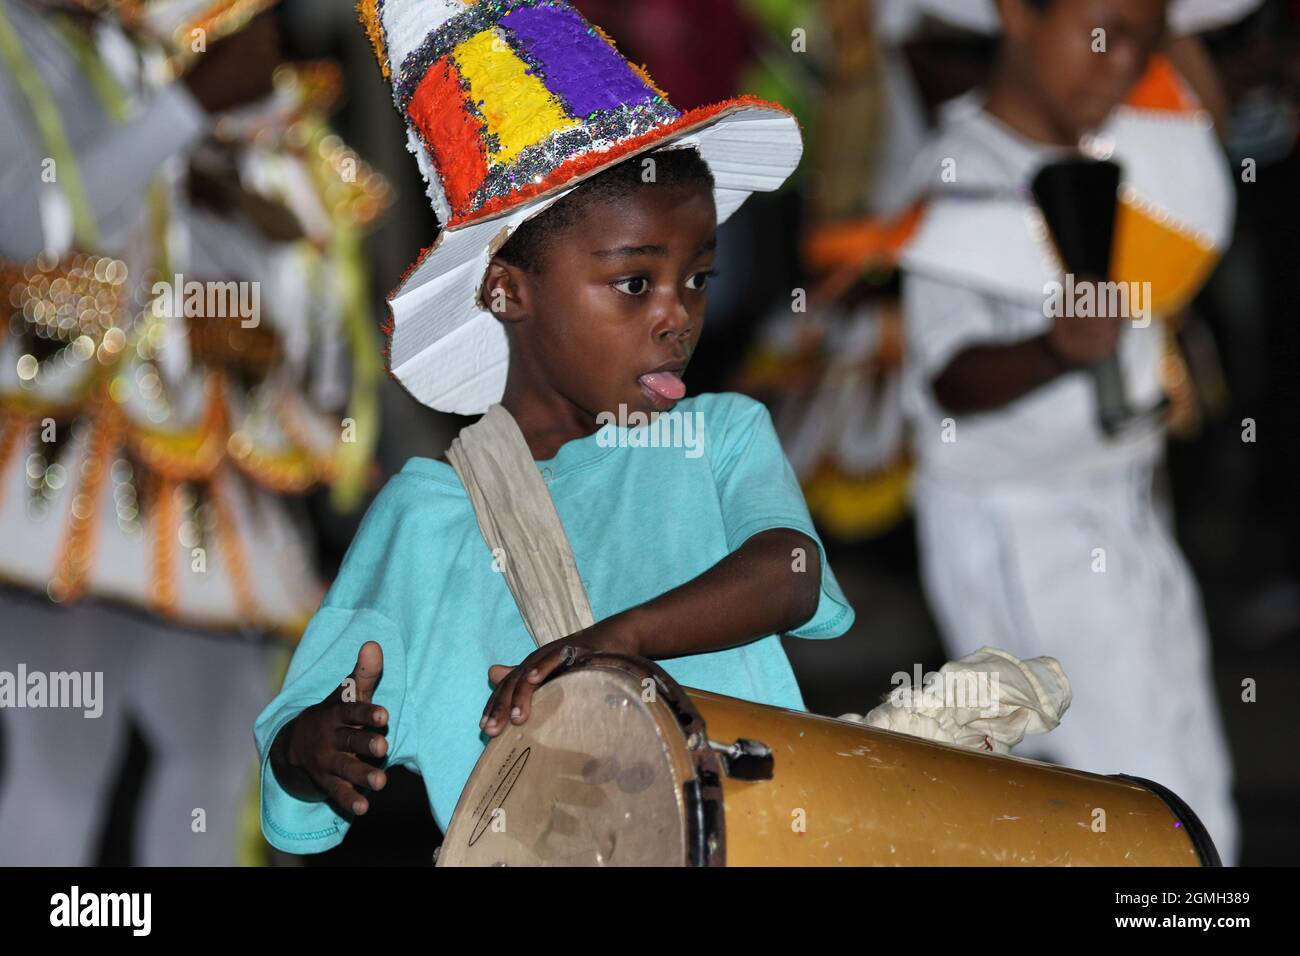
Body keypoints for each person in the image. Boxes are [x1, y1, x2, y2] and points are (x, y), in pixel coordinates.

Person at [253, 0, 854, 852]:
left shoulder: (720, 435)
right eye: (635, 283)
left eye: (698, 279)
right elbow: (293, 749)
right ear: (508, 291)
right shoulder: (426, 520)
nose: (679, 315)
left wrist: (615, 645)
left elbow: (789, 573)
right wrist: (315, 749)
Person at [897, 0, 1240, 862]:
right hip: (1023, 530)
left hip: (1124, 510)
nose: (1119, 63)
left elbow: (1204, 141)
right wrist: (1055, 348)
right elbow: (950, 376)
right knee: (1100, 798)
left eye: (1144, 41)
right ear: (1016, 14)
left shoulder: (1124, 148)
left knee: (1185, 766)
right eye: (1101, 34)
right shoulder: (956, 167)